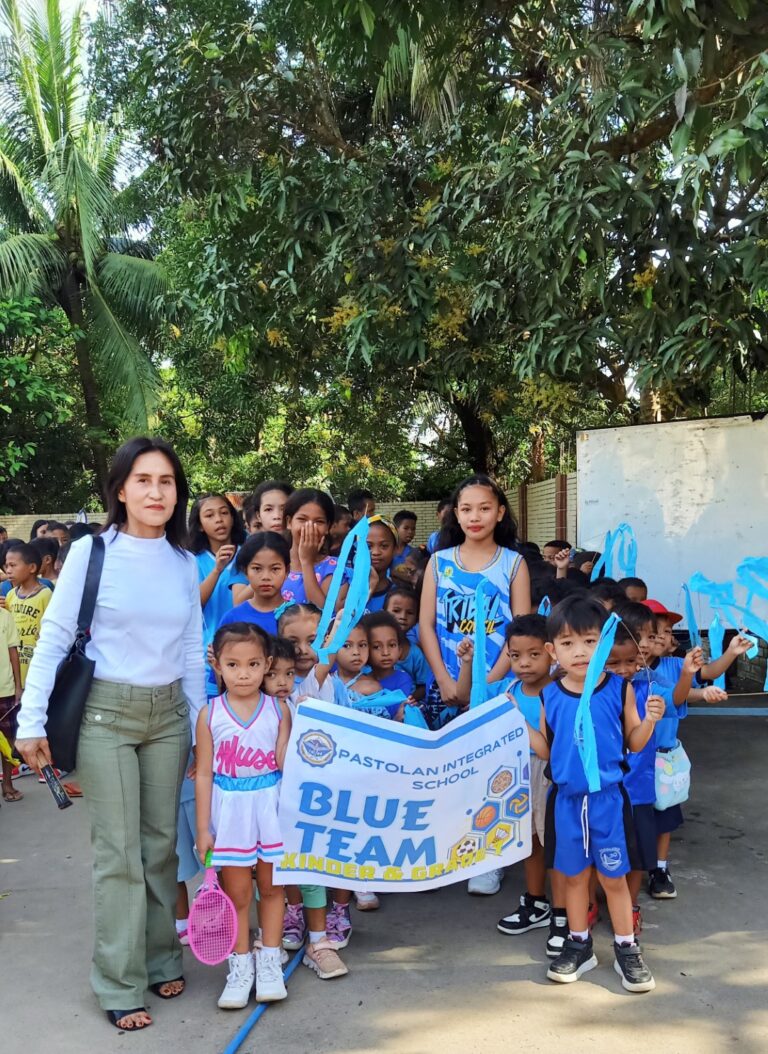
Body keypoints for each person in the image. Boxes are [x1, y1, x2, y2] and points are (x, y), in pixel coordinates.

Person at [15, 436, 206, 1033]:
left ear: (178, 494)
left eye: (167, 481)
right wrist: (30, 721)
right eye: (143, 480)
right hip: (105, 716)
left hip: (170, 714)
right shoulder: (92, 552)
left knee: (160, 849)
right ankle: (119, 982)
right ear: (120, 490)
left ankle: (159, 958)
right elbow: (54, 637)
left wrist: (201, 729)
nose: (156, 491)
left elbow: (194, 651)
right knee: (118, 853)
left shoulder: (183, 563)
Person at [525, 595, 662, 992]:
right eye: (568, 644)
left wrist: (650, 721)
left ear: (603, 644)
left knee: (613, 877)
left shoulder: (619, 690)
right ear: (552, 651)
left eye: (589, 641)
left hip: (607, 802)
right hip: (566, 802)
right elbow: (548, 749)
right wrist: (515, 725)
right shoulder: (549, 694)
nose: (580, 652)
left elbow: (635, 743)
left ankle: (626, 948)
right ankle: (580, 945)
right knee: (571, 878)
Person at [195, 623, 292, 1007]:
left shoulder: (280, 709)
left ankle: (269, 961)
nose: (244, 673)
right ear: (217, 664)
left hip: (271, 807)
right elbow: (203, 772)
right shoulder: (210, 713)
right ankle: (239, 967)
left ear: (267, 664)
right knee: (236, 894)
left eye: (253, 664)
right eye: (233, 664)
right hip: (230, 812)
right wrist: (204, 828)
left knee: (271, 889)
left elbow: (287, 763)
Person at [419, 474, 531, 734]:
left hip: (498, 687)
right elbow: (425, 625)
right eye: (467, 509)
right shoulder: (438, 563)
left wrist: (487, 687)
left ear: (500, 512)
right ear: (456, 514)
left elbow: (520, 632)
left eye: (485, 508)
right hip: (444, 689)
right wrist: (444, 680)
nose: (475, 517)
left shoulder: (513, 564)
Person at [277, 602, 349, 977]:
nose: (304, 649)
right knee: (291, 861)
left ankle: (333, 917)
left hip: (326, 790)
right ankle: (293, 916)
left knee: (327, 858)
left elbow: (327, 652)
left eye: (313, 639)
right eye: (293, 641)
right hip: (287, 791)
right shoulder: (278, 686)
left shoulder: (321, 680)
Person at [494, 615, 567, 957]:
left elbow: (546, 750)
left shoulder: (556, 693)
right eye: (514, 655)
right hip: (515, 776)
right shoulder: (507, 690)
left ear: (551, 653)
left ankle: (565, 913)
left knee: (556, 845)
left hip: (546, 776)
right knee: (530, 844)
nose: (523, 663)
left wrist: (517, 720)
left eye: (533, 654)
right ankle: (537, 902)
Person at [188, 493, 247, 696]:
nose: (219, 520)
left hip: (248, 651)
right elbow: (193, 605)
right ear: (199, 525)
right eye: (210, 515)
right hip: (208, 657)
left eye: (224, 513)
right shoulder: (192, 561)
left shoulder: (248, 554)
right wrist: (217, 570)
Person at [217, 531, 290, 636]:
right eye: (257, 568)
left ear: (287, 570)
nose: (266, 577)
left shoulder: (297, 617)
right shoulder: (233, 618)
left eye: (275, 569)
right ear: (245, 571)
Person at [4, 542, 53, 685]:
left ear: (32, 567)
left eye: (13, 565)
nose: (8, 570)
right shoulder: (10, 595)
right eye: (7, 566)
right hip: (15, 670)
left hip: (36, 668)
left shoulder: (45, 595)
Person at [384, 587, 432, 700]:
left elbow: (423, 686)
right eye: (396, 611)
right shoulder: (372, 646)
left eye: (409, 613)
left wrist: (410, 699)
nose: (402, 617)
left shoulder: (416, 653)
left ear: (416, 619)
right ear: (384, 613)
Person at [361, 611, 414, 697]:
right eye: (377, 647)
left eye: (392, 645)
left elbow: (395, 708)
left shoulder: (402, 679)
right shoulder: (360, 677)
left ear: (400, 650)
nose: (386, 653)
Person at [0, 604, 22, 802]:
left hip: (4, 689)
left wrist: (18, 687)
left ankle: (7, 783)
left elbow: (13, 651)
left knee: (8, 741)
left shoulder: (5, 616)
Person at [365, 514, 398, 611]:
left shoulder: (399, 596)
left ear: (395, 549)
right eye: (368, 546)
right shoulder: (345, 589)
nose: (375, 552)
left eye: (384, 546)